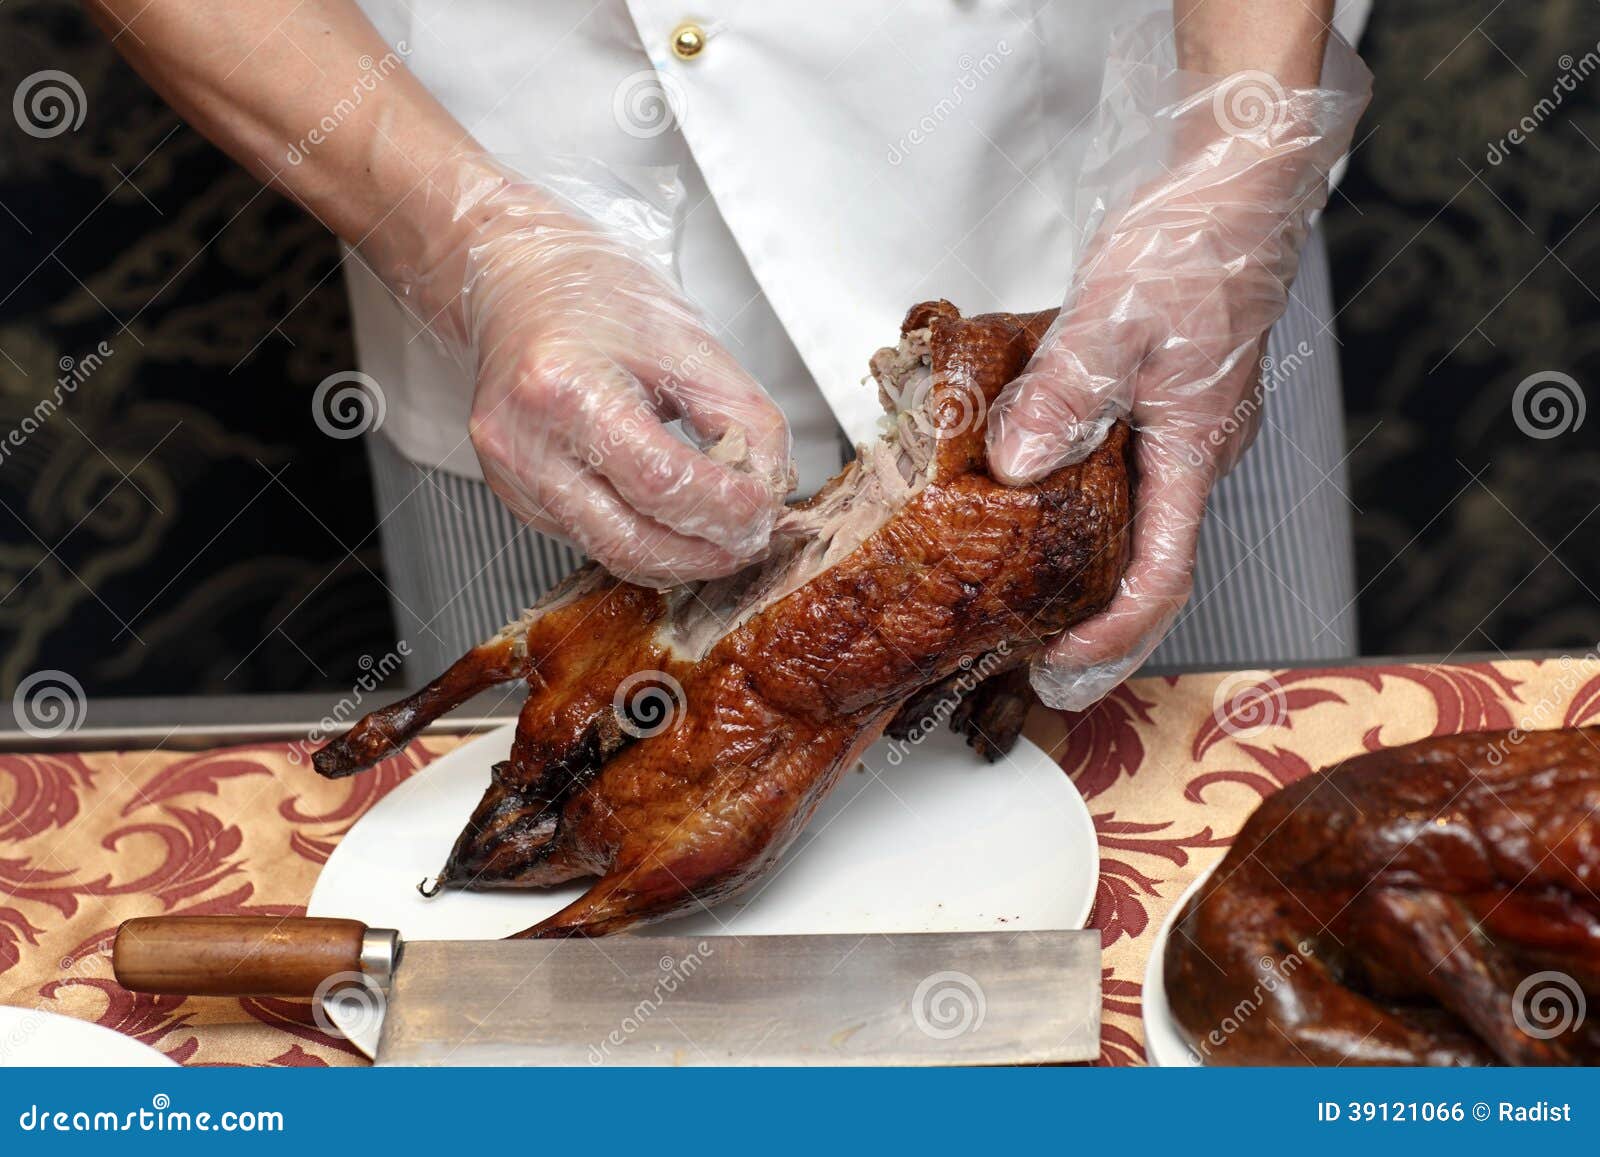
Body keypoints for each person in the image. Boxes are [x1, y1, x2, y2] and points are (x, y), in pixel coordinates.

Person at [94, 0, 1371, 708]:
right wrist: (468, 241)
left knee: (1225, 904)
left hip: (1130, 258)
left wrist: (1233, 160)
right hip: (522, 263)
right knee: (573, 1003)